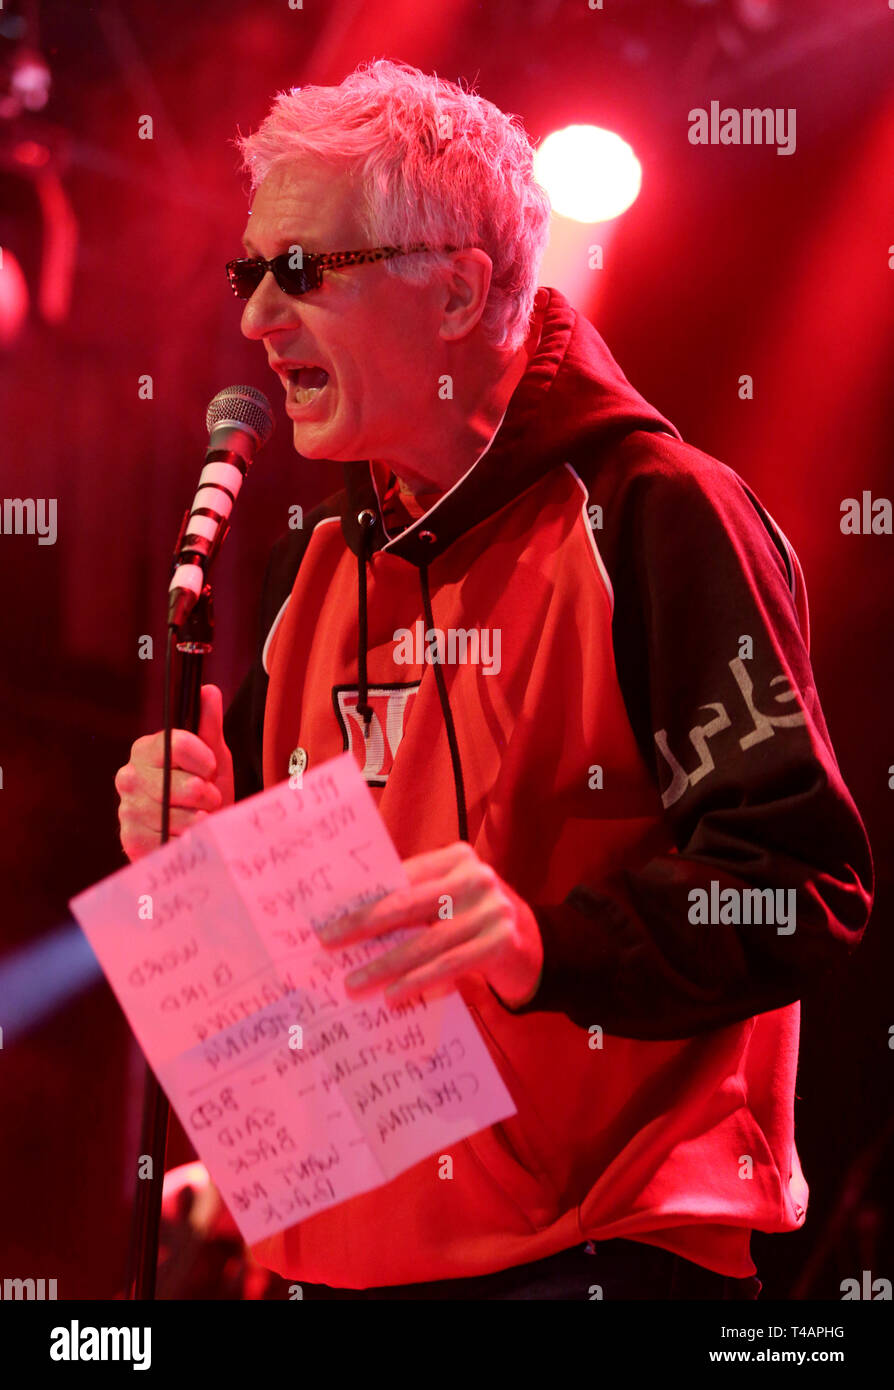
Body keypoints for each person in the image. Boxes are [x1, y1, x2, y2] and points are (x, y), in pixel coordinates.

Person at [115, 59, 873, 1300]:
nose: (255, 318)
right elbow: (289, 981)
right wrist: (190, 852)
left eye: (300, 271)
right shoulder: (314, 571)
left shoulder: (657, 516)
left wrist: (547, 947)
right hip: (334, 1264)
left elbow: (802, 884)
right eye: (248, 273)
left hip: (596, 1257)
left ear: (459, 288)